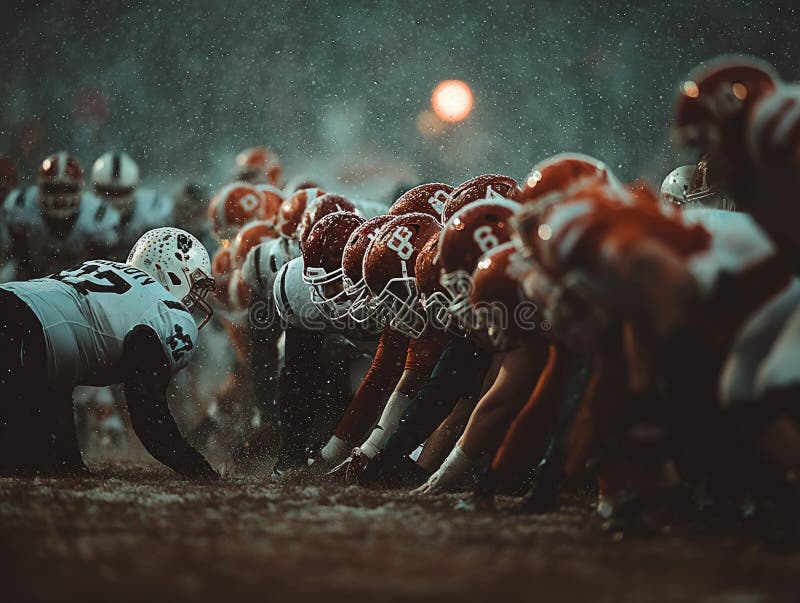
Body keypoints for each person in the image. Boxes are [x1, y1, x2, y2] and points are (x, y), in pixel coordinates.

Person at [0, 227, 218, 480]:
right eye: (195, 283)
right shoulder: (165, 312)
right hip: (20, 333)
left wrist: (67, 458)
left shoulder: (102, 267)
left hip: (14, 309)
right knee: (19, 465)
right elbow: (148, 412)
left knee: (55, 466)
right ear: (171, 272)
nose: (193, 298)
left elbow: (57, 366)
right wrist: (197, 468)